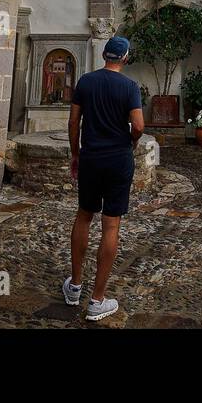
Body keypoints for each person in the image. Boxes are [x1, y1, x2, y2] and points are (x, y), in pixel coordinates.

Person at [63, 35, 145, 321]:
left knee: (84, 215)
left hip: (91, 159)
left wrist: (76, 154)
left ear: (104, 57)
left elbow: (74, 121)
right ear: (124, 58)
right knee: (111, 225)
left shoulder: (86, 81)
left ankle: (74, 286)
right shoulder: (130, 87)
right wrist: (131, 141)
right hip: (118, 160)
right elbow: (139, 125)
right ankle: (97, 300)